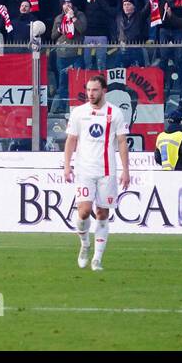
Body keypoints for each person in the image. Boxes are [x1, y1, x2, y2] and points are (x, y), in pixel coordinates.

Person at [63, 75, 129, 272]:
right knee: (83, 212)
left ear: (104, 91)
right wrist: (67, 166)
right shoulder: (79, 113)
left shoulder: (115, 113)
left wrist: (126, 170)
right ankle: (84, 244)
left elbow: (122, 142)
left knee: (102, 213)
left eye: (95, 90)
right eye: (88, 90)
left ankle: (97, 259)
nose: (90, 94)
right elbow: (71, 140)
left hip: (107, 171)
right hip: (84, 170)